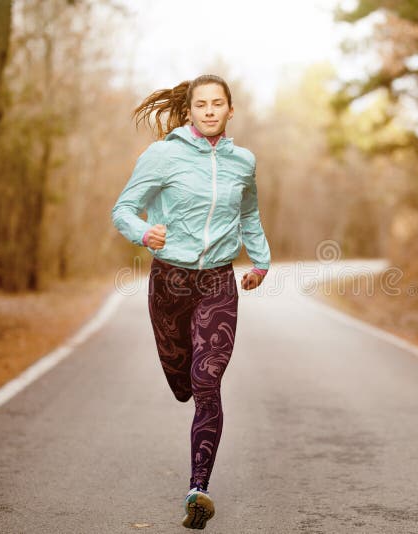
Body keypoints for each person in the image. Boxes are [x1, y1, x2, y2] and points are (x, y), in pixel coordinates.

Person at [110, 74, 271, 529]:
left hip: (218, 282)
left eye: (218, 103)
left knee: (207, 381)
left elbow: (249, 214)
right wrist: (145, 233)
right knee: (183, 382)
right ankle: (184, 384)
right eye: (201, 104)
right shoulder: (163, 155)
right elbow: (123, 209)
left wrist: (260, 263)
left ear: (230, 110)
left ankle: (198, 488)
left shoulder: (243, 162)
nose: (210, 110)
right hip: (170, 283)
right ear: (189, 111)